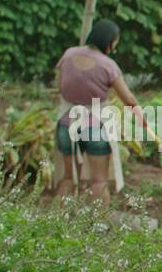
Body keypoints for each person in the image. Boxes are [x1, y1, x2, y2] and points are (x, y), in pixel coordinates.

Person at [54, 19, 148, 204]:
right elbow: (128, 99)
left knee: (68, 178)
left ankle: (54, 224)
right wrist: (142, 118)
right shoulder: (107, 65)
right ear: (110, 42)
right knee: (98, 180)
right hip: (95, 126)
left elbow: (61, 85)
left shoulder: (69, 54)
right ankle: (99, 227)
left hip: (66, 123)